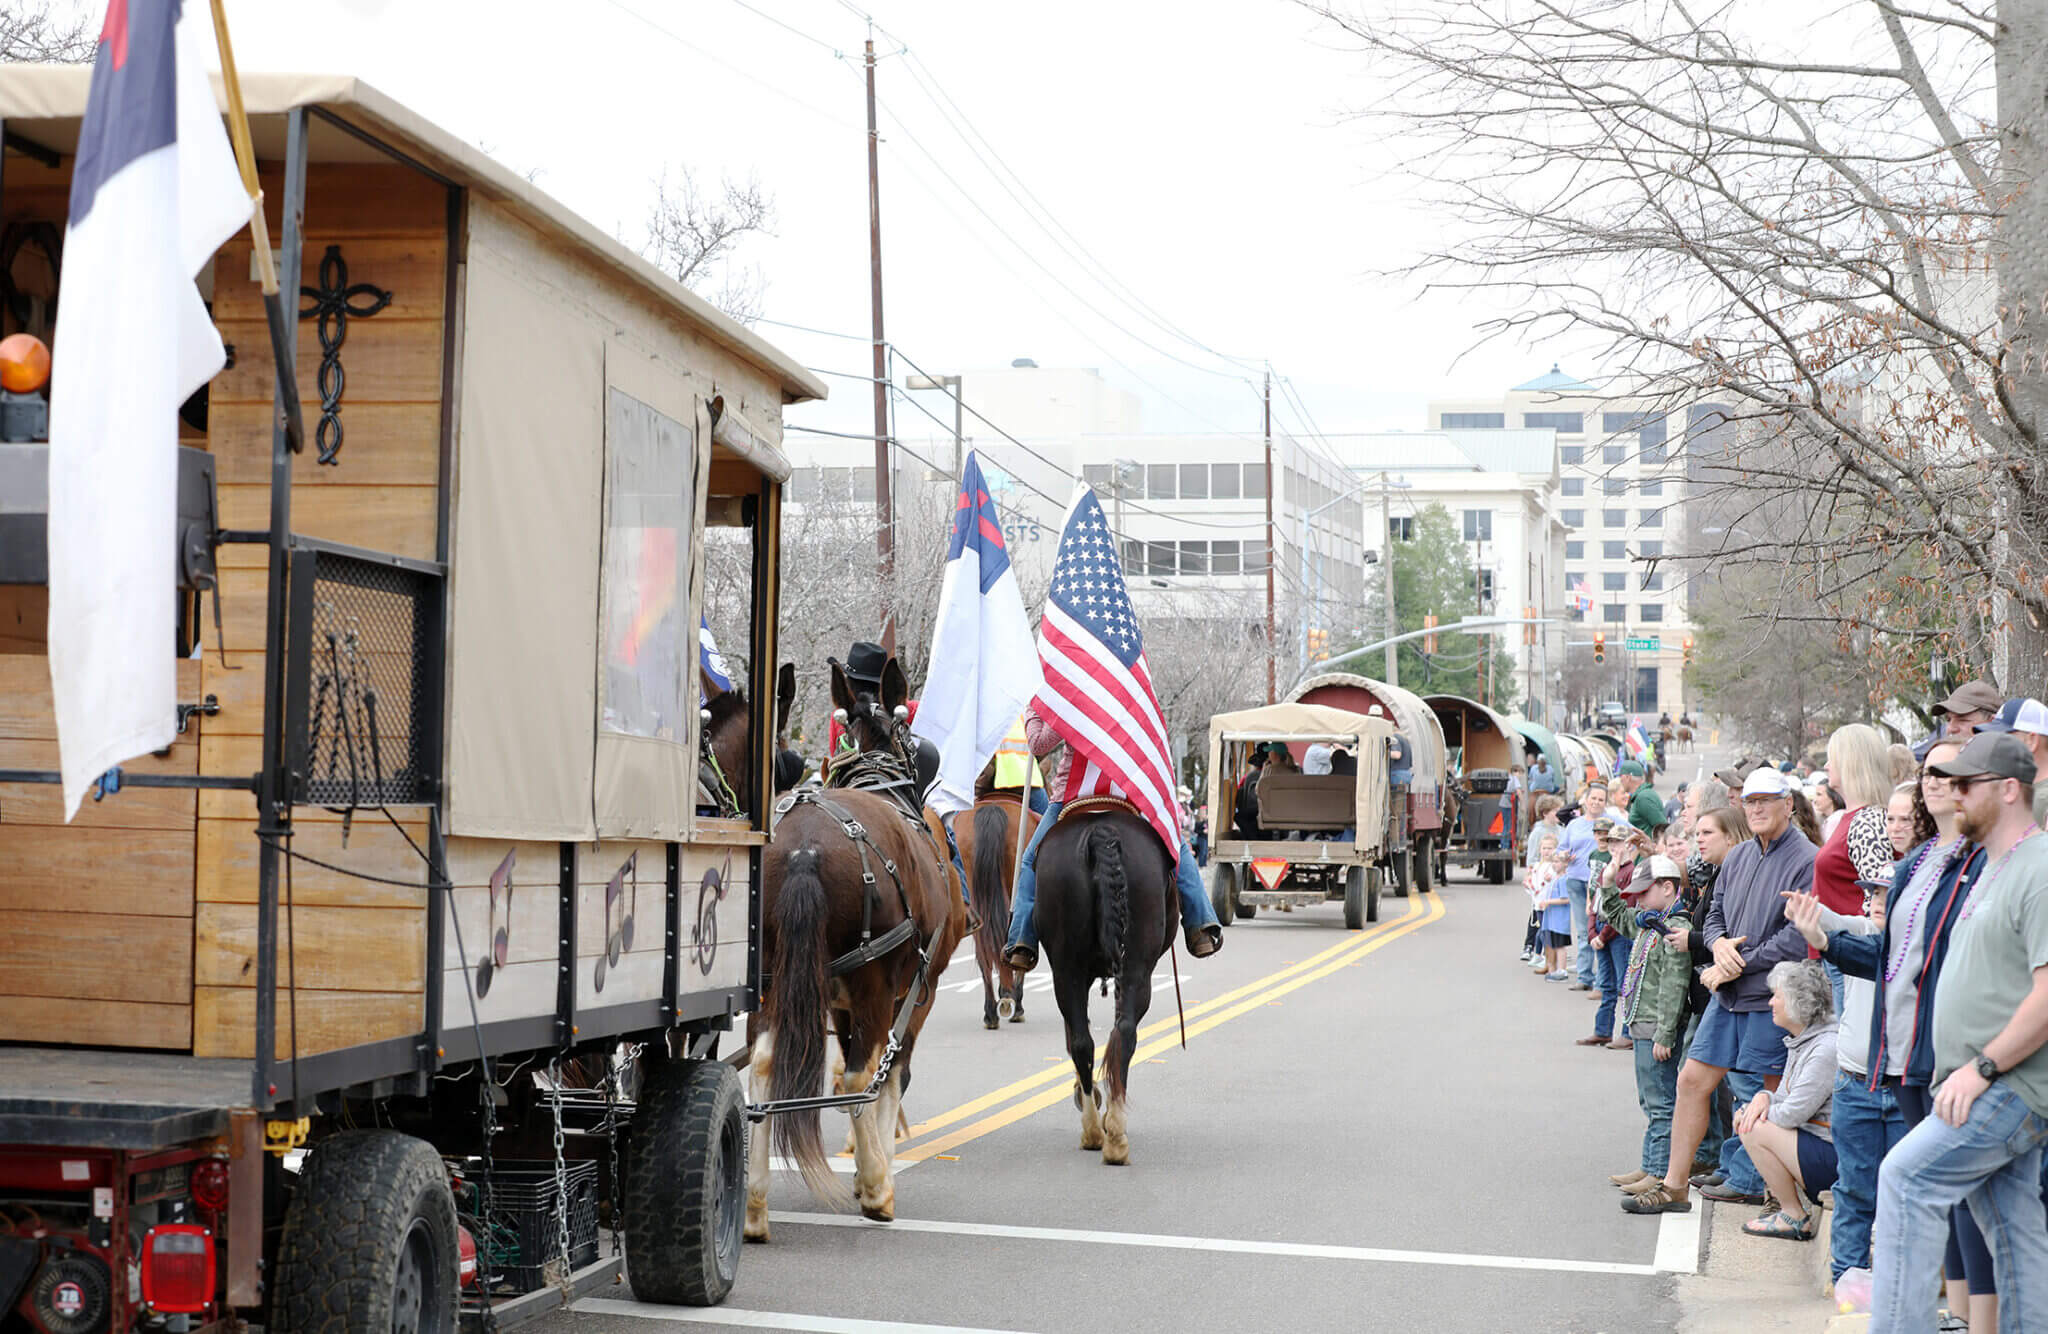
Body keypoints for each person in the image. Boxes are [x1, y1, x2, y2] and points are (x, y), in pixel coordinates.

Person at [1864, 732, 2048, 1334]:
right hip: (1983, 1081)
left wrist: (1981, 1068)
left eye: (1966, 782)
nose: (1952, 791)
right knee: (2015, 1233)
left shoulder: (2041, 869)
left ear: (2009, 789)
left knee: (1905, 1178)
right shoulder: (1993, 864)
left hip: (2006, 1086)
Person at [1788, 742, 1984, 1302]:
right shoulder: (1917, 866)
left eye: (1950, 772)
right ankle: (1901, 1299)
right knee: (1898, 1189)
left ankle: (1946, 1307)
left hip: (1946, 1059)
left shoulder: (1975, 862)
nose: (1934, 782)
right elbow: (1887, 958)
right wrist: (1823, 939)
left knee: (1945, 1195)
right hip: (1890, 1062)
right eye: (1928, 772)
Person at [1625, 768, 1818, 1215]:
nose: (1757, 810)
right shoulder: (1738, 857)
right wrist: (1716, 945)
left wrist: (1739, 962)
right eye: (1750, 802)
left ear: (1788, 804)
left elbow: (1798, 937)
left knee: (1769, 1096)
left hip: (1772, 996)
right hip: (1729, 993)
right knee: (1692, 1080)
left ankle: (1775, 1194)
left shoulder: (1806, 858)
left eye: (1766, 801)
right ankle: (1674, 1186)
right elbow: (1711, 915)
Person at [1002, 702, 1222, 971]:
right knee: (1177, 845)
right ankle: (1200, 924)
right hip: (1129, 791)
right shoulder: (1125, 685)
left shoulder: (1067, 691)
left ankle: (1023, 939)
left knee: (1029, 862)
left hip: (1072, 796)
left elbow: (1038, 744)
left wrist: (1036, 708)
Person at [1605, 854, 1699, 1196]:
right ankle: (1649, 1163)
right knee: (1650, 1099)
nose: (1639, 899)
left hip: (1655, 1027)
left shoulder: (1676, 928)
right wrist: (1607, 883)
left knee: (1661, 1101)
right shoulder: (1649, 921)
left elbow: (1674, 984)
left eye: (1645, 892)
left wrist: (1665, 1033)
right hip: (1640, 1023)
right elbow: (1615, 914)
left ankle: (1659, 1169)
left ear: (1668, 887)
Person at [1734, 960, 1840, 1241]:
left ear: (1798, 1003)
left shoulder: (1826, 1048)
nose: (1771, 1003)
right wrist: (1762, 1097)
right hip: (1816, 1146)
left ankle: (1793, 1214)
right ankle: (1789, 1210)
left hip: (1834, 1159)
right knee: (1748, 1118)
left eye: (1777, 996)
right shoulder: (1803, 1039)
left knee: (1751, 1125)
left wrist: (1756, 1111)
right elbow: (1781, 1098)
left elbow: (1792, 1113)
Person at [1561, 782, 1610, 991]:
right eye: (1593, 798)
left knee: (1600, 929)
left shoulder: (1613, 821)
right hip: (1575, 879)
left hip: (1601, 885)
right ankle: (1584, 976)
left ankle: (1603, 980)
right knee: (1583, 930)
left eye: (1601, 799)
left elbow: (1630, 841)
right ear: (1586, 801)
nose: (1596, 803)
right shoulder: (1574, 825)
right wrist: (1563, 856)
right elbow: (1562, 848)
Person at [1982, 696, 2048, 827]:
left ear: (2031, 741)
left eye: (2003, 738)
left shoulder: (2042, 799)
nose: (1995, 745)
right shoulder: (2016, 791)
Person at [1530, 831, 1571, 979]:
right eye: (1544, 848)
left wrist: (1547, 901)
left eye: (1550, 848)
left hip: (1554, 913)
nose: (1546, 851)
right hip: (1543, 908)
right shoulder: (1539, 866)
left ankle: (1557, 968)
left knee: (1554, 941)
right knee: (1546, 936)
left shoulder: (1558, 875)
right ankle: (1550, 965)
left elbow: (1565, 897)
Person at [1617, 760, 1668, 838]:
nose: (1620, 780)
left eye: (1620, 777)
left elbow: (1662, 827)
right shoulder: (1642, 795)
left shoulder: (1643, 798)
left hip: (1650, 848)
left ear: (1628, 777)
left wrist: (1655, 847)